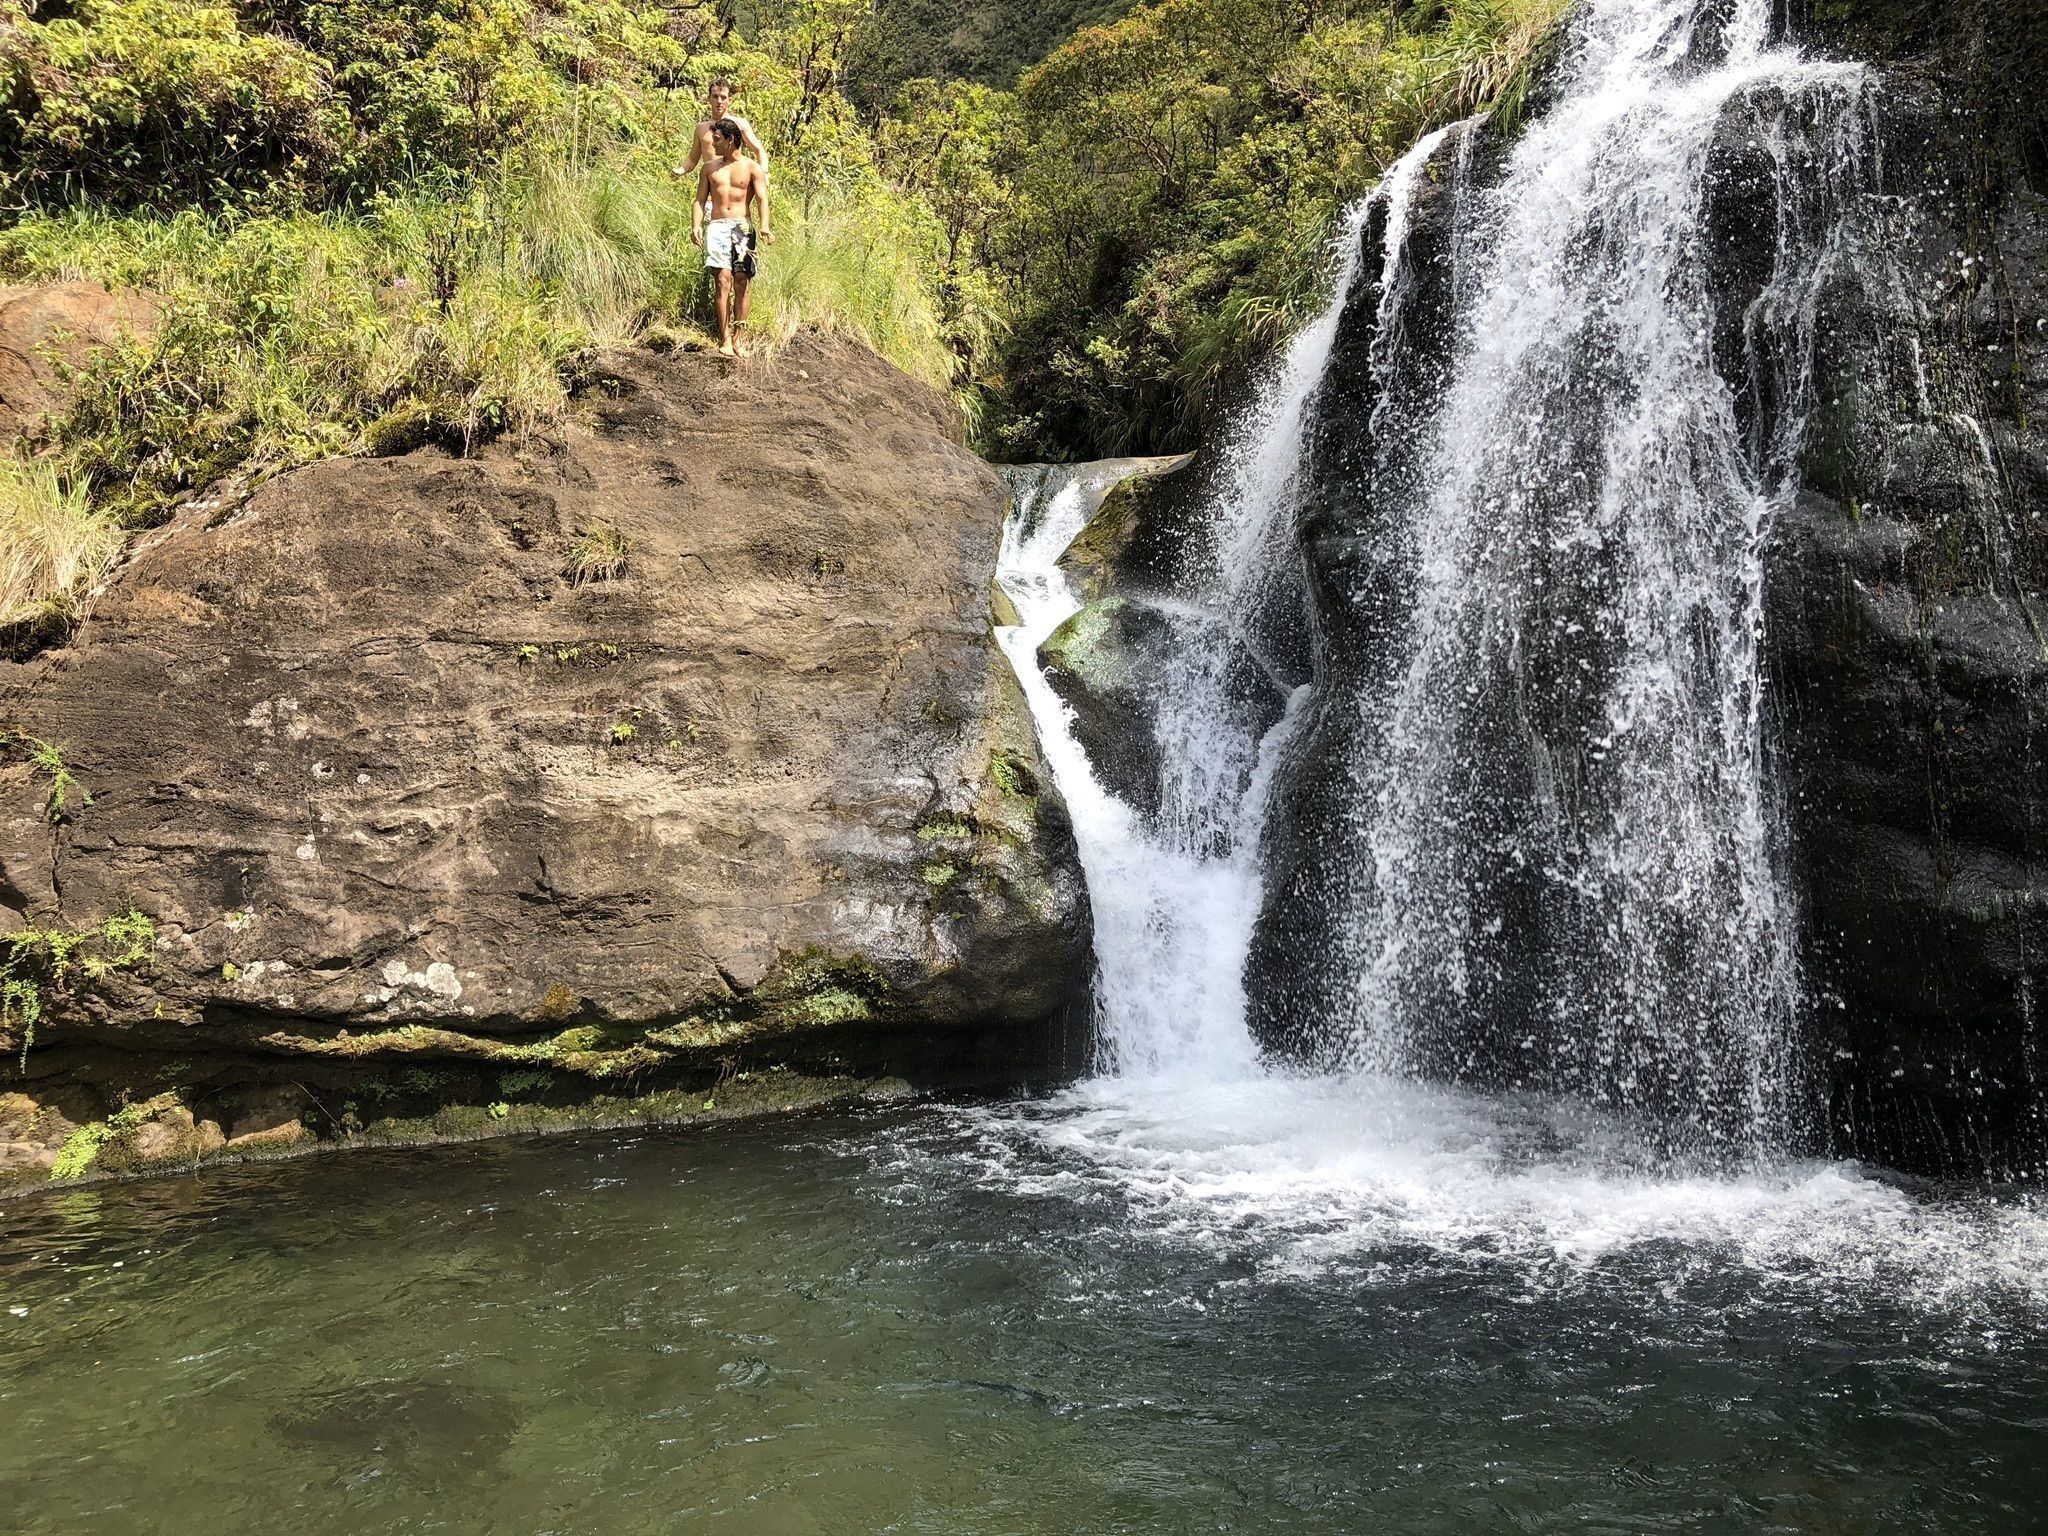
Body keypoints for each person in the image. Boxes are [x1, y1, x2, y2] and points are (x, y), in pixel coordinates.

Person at [692, 117, 772, 357]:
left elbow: (762, 198)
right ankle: (725, 337)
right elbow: (699, 199)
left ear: (730, 140)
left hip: (742, 227)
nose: (713, 144)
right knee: (722, 281)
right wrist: (696, 225)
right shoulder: (710, 168)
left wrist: (765, 225)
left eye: (717, 140)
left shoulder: (751, 167)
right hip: (717, 226)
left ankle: (740, 339)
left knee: (742, 282)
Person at [678, 79, 767, 175]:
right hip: (712, 184)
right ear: (709, 98)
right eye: (715, 97)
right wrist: (680, 170)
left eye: (723, 97)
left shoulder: (740, 124)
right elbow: (692, 159)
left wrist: (764, 174)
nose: (719, 101)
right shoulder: (701, 128)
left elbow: (759, 150)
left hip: (735, 182)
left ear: (729, 100)